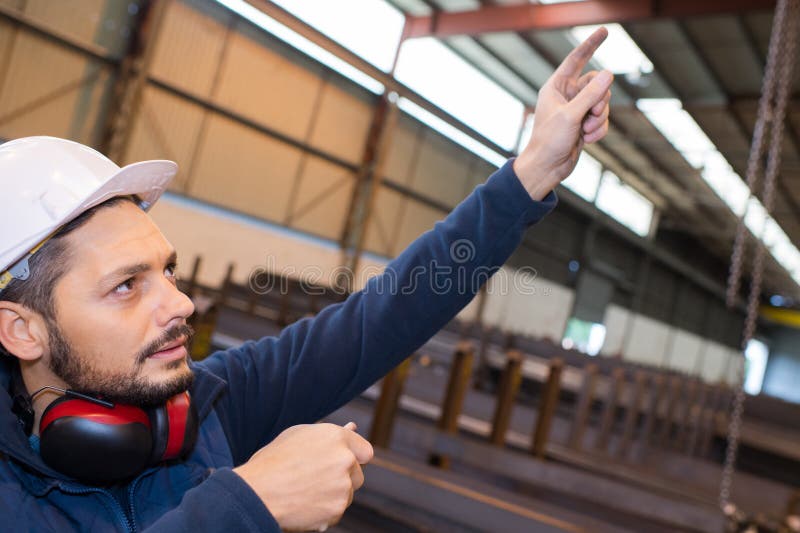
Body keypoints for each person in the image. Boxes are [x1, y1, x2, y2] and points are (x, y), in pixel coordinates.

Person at [0, 28, 612, 532]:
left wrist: (532, 171)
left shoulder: (210, 407)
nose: (180, 303)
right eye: (126, 286)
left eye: (167, 271)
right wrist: (247, 505)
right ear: (22, 330)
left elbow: (384, 316)